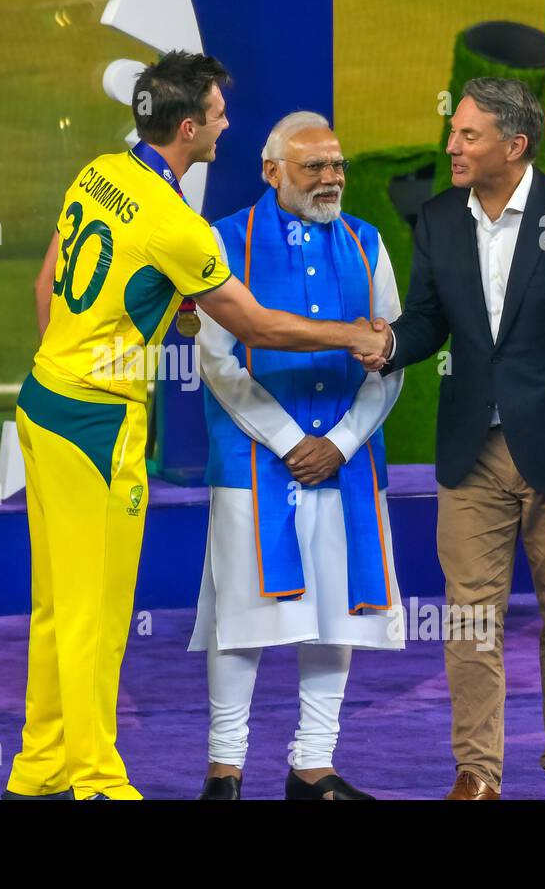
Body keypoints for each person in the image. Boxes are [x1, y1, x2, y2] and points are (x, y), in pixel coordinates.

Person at [15, 51, 389, 800]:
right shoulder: (177, 224)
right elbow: (253, 325)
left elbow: (47, 282)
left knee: (56, 607)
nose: (225, 124)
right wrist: (350, 335)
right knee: (97, 617)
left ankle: (36, 770)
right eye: (218, 115)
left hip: (43, 400)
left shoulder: (98, 172)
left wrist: (116, 330)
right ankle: (96, 782)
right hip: (96, 424)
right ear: (189, 127)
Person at [366, 78, 545, 800]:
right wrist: (391, 341)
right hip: (470, 453)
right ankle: (477, 774)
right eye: (454, 132)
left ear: (514, 146)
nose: (451, 145)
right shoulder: (436, 219)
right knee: (470, 616)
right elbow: (428, 320)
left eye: (468, 136)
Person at [190, 112, 405, 801]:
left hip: (346, 463)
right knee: (243, 618)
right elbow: (218, 363)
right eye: (314, 166)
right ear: (271, 171)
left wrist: (339, 444)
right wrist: (289, 442)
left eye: (337, 165)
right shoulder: (224, 241)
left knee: (334, 610)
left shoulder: (368, 243)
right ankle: (225, 772)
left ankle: (314, 767)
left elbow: (390, 357)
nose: (331, 178)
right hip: (252, 463)